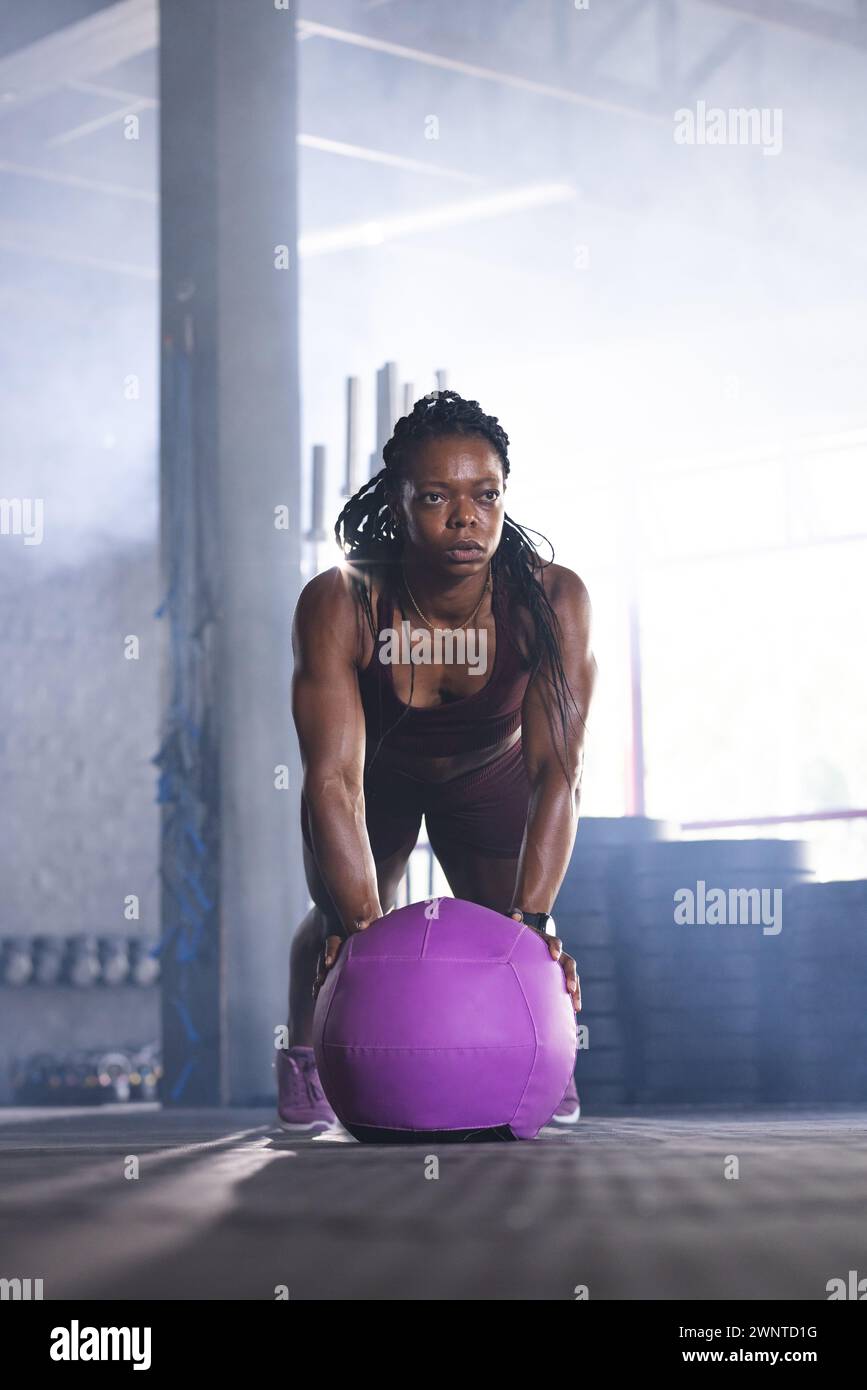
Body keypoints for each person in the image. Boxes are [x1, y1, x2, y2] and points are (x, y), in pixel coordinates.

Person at [278, 390, 597, 1132]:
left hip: (489, 777)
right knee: (334, 923)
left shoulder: (552, 600)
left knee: (510, 930)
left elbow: (559, 772)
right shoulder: (340, 602)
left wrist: (536, 923)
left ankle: (535, 1054)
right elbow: (332, 779)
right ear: (396, 503)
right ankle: (305, 1063)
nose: (465, 518)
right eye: (435, 498)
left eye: (485, 496)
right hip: (374, 779)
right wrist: (357, 936)